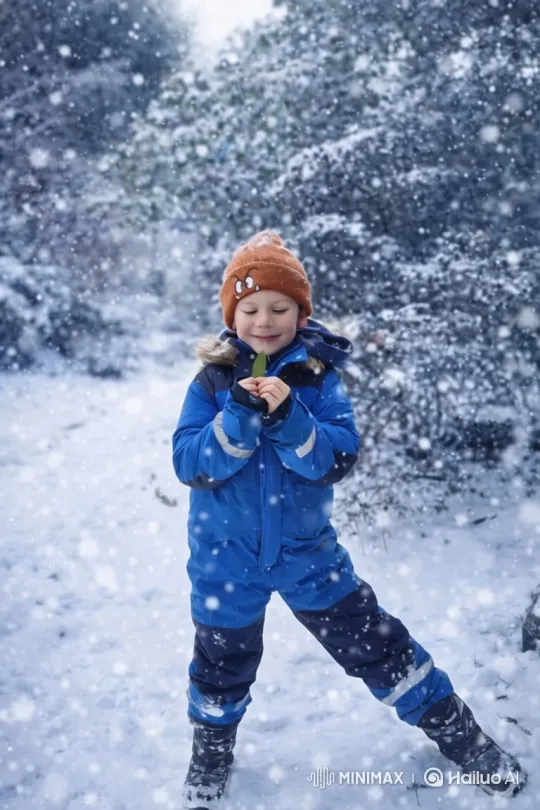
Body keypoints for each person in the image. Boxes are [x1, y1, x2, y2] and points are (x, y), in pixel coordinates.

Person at [172, 231, 526, 808]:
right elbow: (191, 464)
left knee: (379, 647)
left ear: (300, 312)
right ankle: (211, 753)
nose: (265, 321)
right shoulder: (212, 383)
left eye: (279, 308)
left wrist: (288, 416)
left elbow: (335, 460)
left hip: (309, 557)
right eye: (251, 309)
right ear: (232, 316)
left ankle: (461, 735)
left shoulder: (317, 377)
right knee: (220, 665)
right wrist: (238, 415)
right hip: (224, 562)